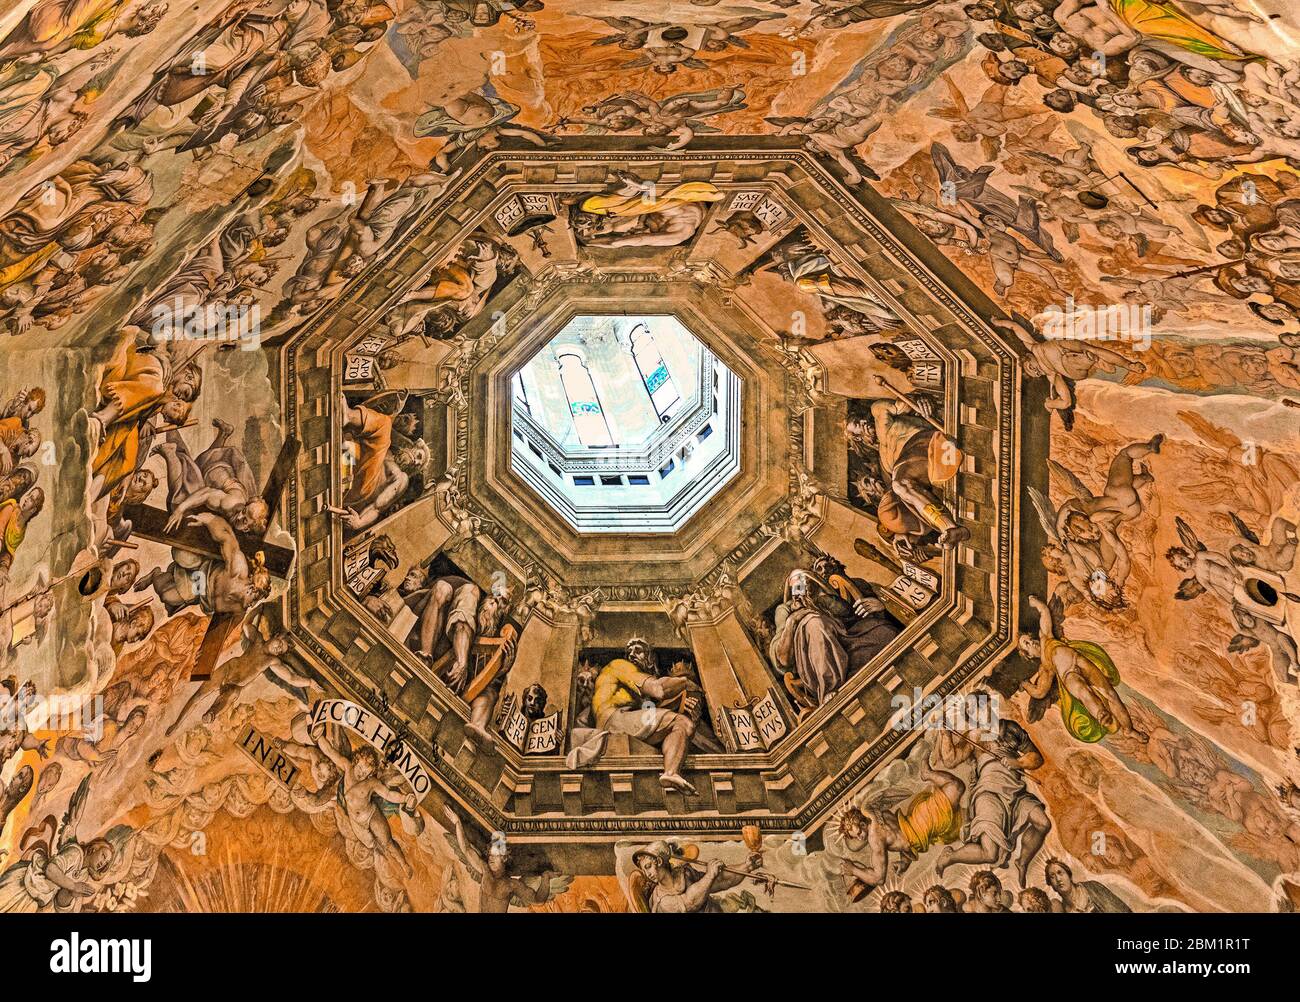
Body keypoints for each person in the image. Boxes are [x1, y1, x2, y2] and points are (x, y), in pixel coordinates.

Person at [564, 638, 698, 794]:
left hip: (620, 720)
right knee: (682, 723)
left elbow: (651, 711)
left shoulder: (627, 687)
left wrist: (685, 703)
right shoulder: (621, 665)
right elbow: (659, 689)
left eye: (638, 650)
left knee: (678, 726)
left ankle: (671, 773)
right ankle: (671, 772)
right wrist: (686, 683)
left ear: (651, 658)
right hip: (616, 719)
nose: (631, 654)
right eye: (629, 651)